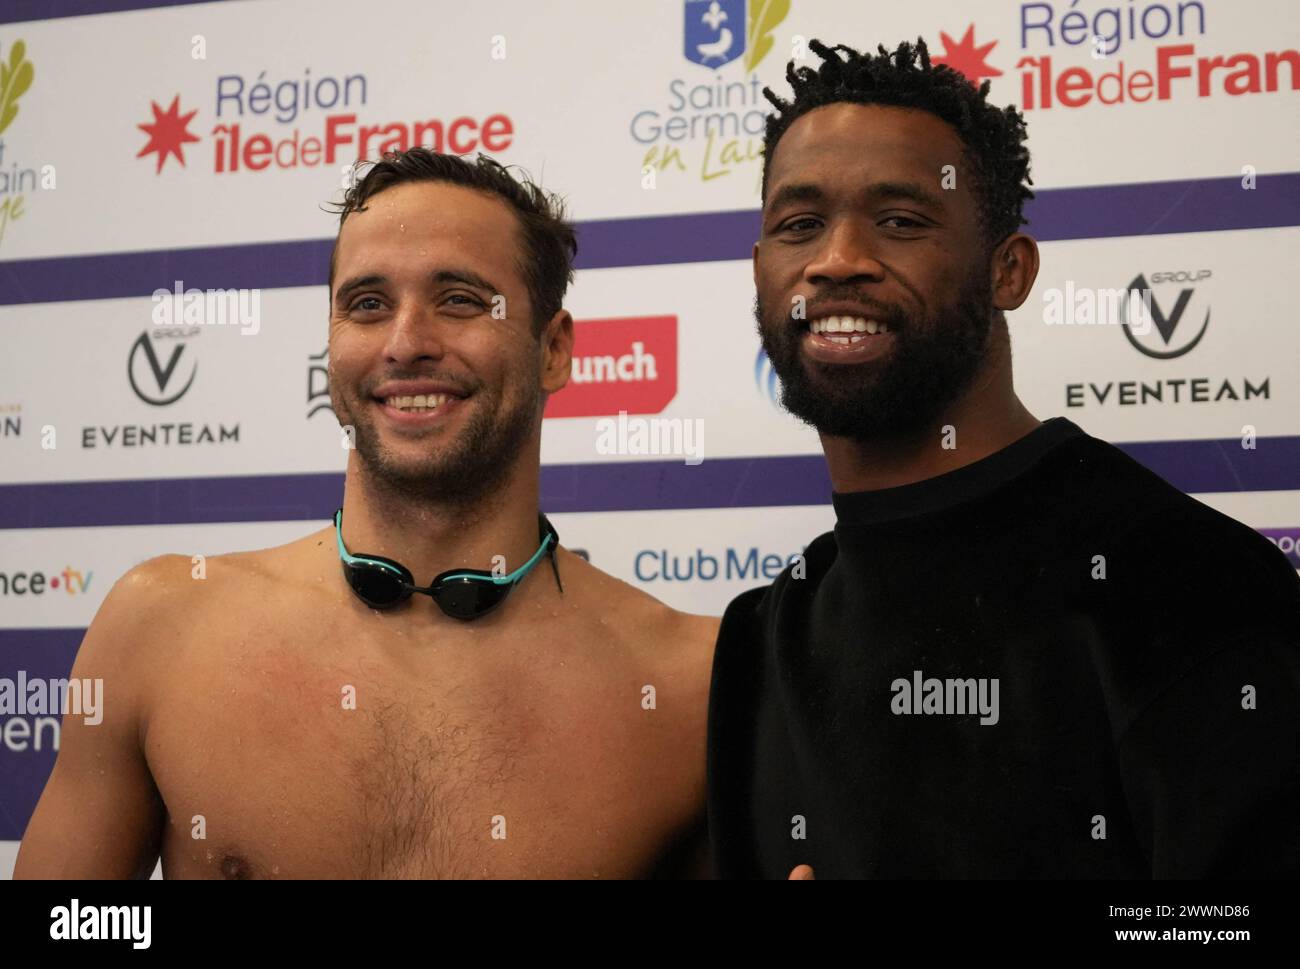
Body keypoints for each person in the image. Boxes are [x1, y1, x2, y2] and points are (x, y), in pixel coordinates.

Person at [16, 149, 717, 879]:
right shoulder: (159, 627)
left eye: (460, 299)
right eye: (368, 304)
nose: (407, 342)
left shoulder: (689, 685)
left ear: (554, 349)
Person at [708, 38, 1300, 878]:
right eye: (799, 224)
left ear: (1008, 270)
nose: (837, 259)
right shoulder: (765, 641)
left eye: (900, 221)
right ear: (761, 268)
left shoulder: (1186, 584)